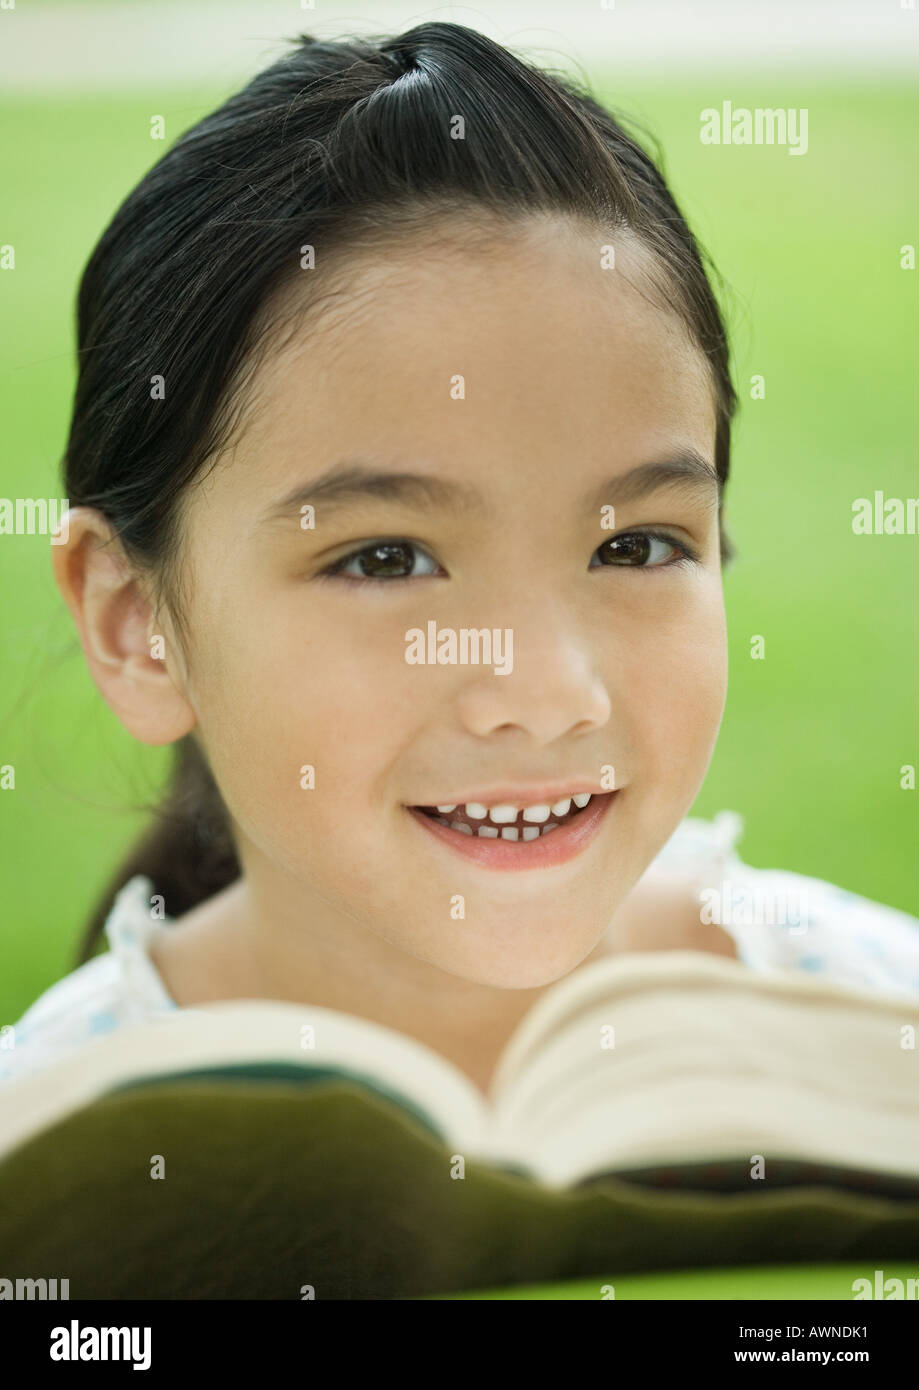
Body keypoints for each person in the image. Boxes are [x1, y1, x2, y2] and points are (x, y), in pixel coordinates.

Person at [5, 23, 919, 1096]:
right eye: (386, 559)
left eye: (634, 544)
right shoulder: (50, 1156)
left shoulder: (874, 1027)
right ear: (137, 625)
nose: (544, 695)